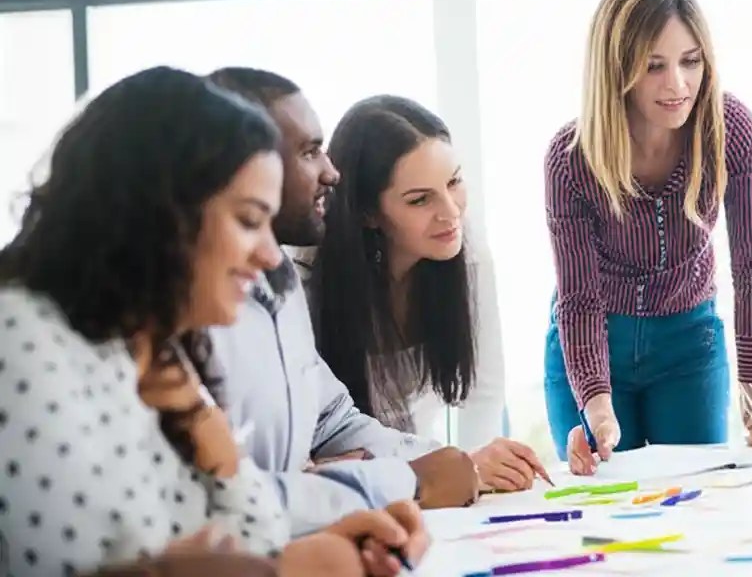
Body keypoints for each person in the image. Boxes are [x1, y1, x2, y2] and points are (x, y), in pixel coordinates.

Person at [0, 67, 428, 577]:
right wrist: (294, 569)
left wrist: (331, 544)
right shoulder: (22, 335)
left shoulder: (142, 353)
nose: (271, 257)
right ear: (160, 211)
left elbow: (247, 530)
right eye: (249, 221)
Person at [202, 68, 478, 534]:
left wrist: (440, 463)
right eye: (310, 152)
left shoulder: (276, 276)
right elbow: (228, 501)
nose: (331, 173)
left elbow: (331, 421)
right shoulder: (191, 312)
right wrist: (403, 480)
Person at [543, 0, 752, 474]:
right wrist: (596, 403)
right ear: (617, 69)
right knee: (607, 510)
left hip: (689, 345)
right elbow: (579, 297)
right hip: (593, 344)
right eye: (654, 66)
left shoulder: (731, 130)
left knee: (698, 503)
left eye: (690, 61)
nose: (678, 85)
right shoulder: (571, 159)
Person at [308, 95, 549, 492]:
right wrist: (456, 472)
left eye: (454, 182)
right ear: (367, 213)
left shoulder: (464, 251)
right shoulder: (307, 273)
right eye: (420, 199)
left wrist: (473, 478)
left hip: (428, 481)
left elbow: (484, 396)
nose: (451, 212)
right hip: (349, 488)